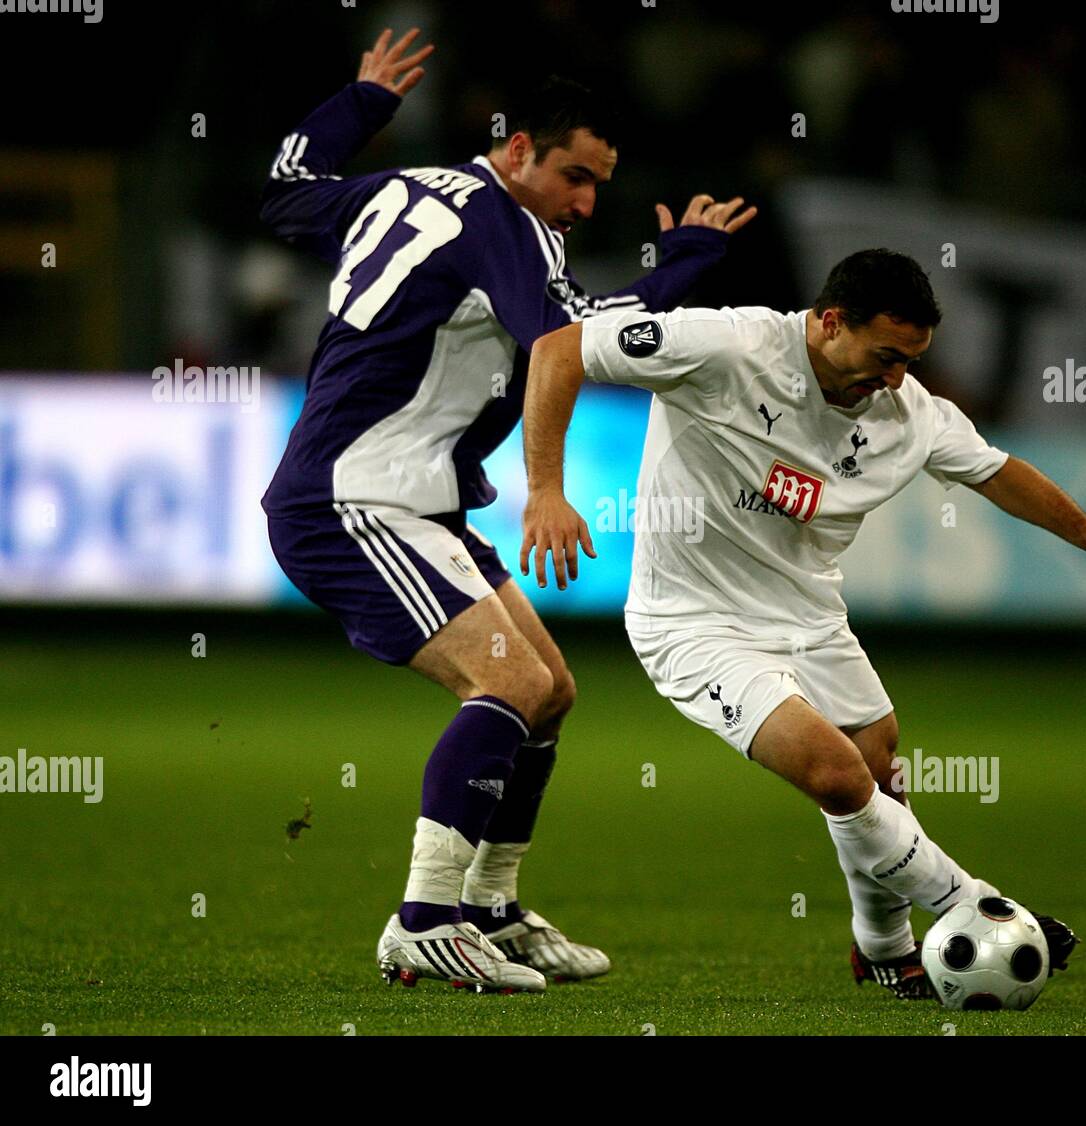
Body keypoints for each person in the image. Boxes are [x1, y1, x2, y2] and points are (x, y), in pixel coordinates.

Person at [518, 249, 1086, 999]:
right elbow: (558, 348)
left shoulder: (908, 411)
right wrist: (544, 490)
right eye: (886, 355)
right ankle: (977, 905)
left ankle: (883, 949)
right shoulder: (728, 345)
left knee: (881, 768)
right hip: (691, 619)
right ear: (830, 322)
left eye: (911, 361)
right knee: (835, 773)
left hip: (810, 615)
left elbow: (993, 468)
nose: (895, 378)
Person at [259, 29, 756, 994]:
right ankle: (424, 919)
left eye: (600, 184)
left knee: (549, 692)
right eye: (574, 175)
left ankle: (491, 907)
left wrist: (359, 103)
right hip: (353, 499)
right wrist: (547, 490)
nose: (585, 202)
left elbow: (285, 188)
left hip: (407, 504)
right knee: (511, 689)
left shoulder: (405, 191)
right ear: (518, 147)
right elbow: (563, 346)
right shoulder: (509, 224)